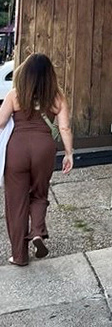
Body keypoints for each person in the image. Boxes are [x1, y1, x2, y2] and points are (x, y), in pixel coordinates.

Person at [0, 53, 74, 266]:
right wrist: (69, 153)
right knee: (40, 193)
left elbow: (1, 121)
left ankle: (19, 256)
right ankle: (38, 232)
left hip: (17, 150)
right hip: (44, 149)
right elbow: (64, 128)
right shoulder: (57, 97)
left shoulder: (15, 94)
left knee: (16, 202)